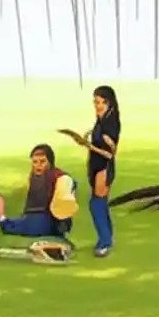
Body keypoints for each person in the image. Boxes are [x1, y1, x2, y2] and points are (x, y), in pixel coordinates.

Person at [60, 85, 121, 257]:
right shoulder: (100, 120)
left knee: (96, 204)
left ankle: (105, 242)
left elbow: (110, 153)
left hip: (103, 166)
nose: (97, 105)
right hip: (94, 165)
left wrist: (89, 145)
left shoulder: (111, 122)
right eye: (95, 102)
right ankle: (107, 238)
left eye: (101, 102)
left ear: (109, 103)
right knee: (99, 203)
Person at [0, 144, 78, 240]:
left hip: (48, 217)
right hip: (34, 216)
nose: (38, 165)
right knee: (20, 223)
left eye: (42, 161)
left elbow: (64, 202)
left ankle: (4, 222)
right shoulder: (32, 177)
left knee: (19, 227)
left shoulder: (59, 177)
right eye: (35, 162)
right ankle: (5, 221)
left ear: (50, 162)